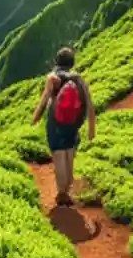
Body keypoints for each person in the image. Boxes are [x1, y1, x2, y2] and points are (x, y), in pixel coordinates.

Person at [31, 47, 96, 206]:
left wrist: (35, 118)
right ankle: (67, 188)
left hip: (56, 123)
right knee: (69, 153)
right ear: (72, 63)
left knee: (59, 155)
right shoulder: (78, 79)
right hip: (73, 123)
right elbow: (89, 105)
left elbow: (44, 100)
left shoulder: (52, 78)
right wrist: (91, 129)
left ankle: (62, 193)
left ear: (57, 61)